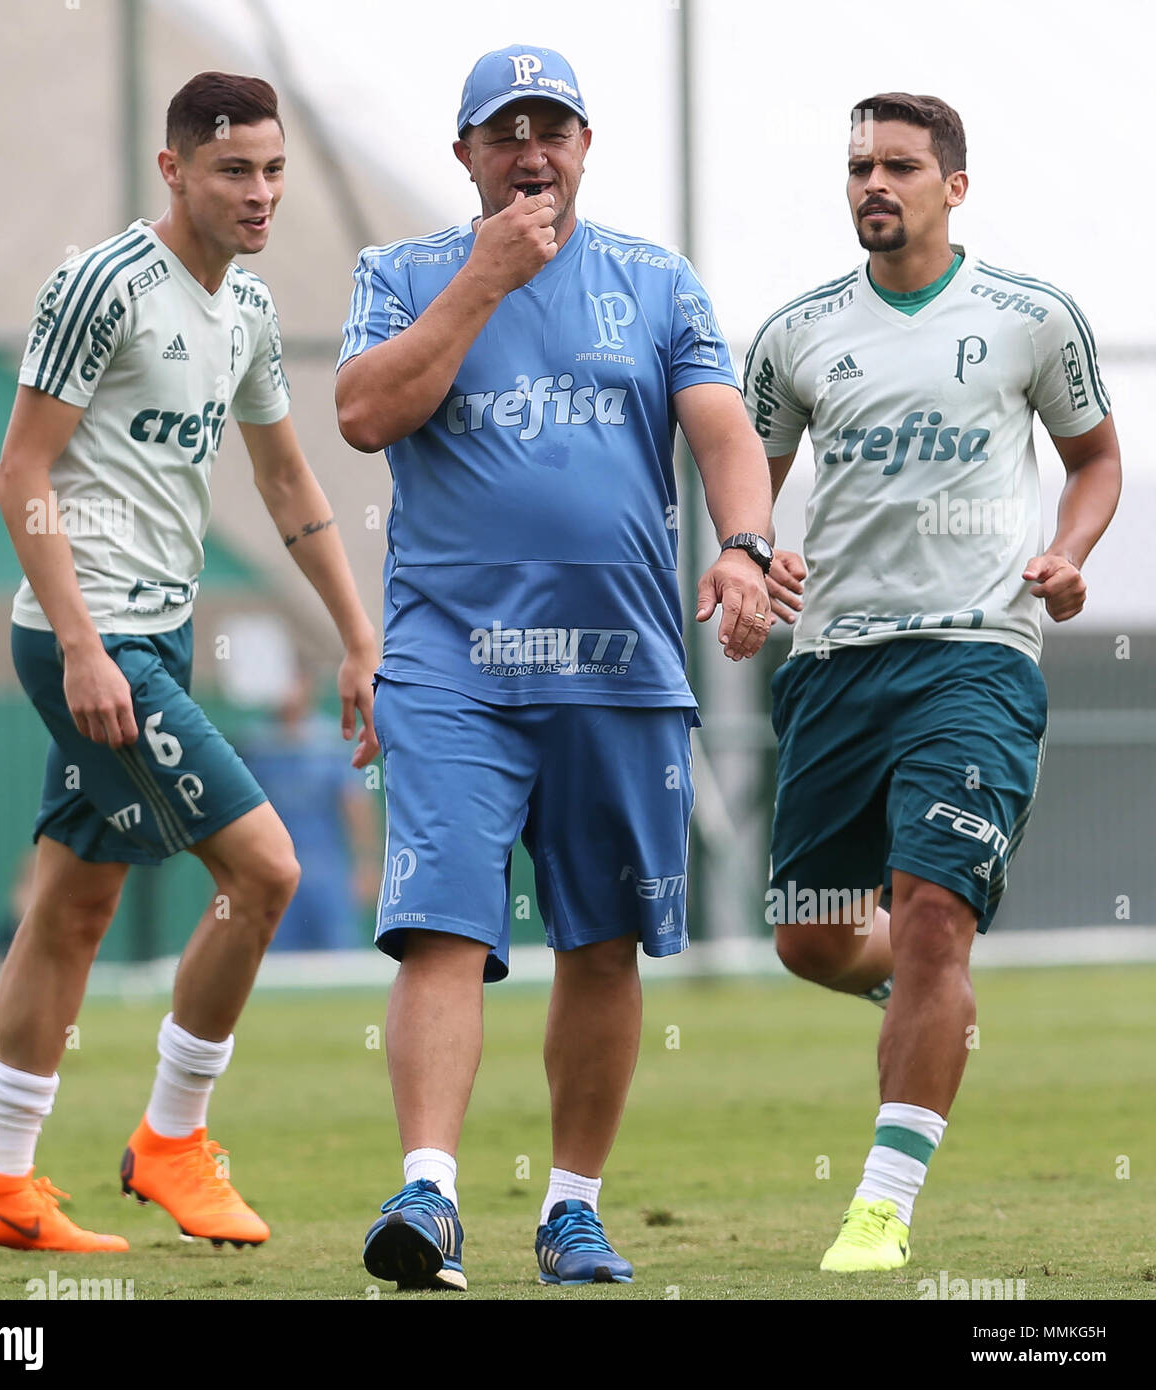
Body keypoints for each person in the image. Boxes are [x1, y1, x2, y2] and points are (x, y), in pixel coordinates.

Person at [336, 44, 773, 1290]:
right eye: (504, 131)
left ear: (585, 145)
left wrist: (743, 547)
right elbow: (366, 414)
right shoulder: (402, 272)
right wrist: (480, 284)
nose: (532, 151)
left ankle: (572, 1209)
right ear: (465, 153)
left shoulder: (654, 278)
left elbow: (721, 427)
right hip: (448, 664)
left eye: (554, 128)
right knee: (439, 929)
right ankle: (427, 1197)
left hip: (620, 663)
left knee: (602, 944)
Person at [0, 71, 379, 1254]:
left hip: (158, 637)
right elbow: (18, 472)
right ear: (174, 169)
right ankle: (173, 1141)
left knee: (76, 907)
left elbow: (285, 480)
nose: (260, 192)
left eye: (275, 169)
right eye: (235, 168)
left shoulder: (240, 308)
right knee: (270, 873)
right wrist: (83, 646)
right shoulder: (101, 284)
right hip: (93, 641)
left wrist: (355, 631)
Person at [745, 92, 1121, 1272]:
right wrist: (755, 559)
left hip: (976, 655)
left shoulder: (1028, 317)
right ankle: (928, 998)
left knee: (929, 915)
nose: (874, 183)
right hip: (833, 665)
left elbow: (1096, 458)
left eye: (898, 165)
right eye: (858, 164)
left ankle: (880, 1206)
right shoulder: (794, 334)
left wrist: (1070, 554)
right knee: (808, 937)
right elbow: (745, 487)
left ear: (952, 185)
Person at [239, 671, 381, 950]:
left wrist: (366, 864)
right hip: (274, 871)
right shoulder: (256, 745)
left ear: (308, 687)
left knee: (338, 955)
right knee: (275, 959)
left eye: (294, 682)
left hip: (327, 871)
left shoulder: (330, 743)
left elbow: (355, 805)